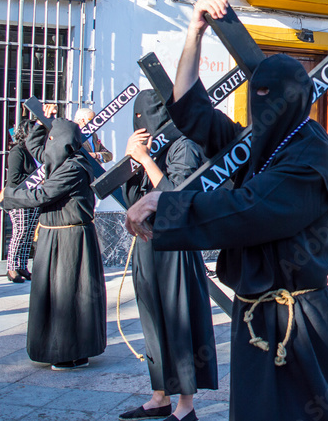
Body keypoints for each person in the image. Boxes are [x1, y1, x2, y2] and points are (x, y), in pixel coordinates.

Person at [124, 0, 328, 421]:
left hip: (301, 322)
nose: (260, 107)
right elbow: (191, 112)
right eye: (258, 97)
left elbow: (249, 209)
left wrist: (167, 204)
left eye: (270, 98)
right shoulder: (262, 146)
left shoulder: (309, 153)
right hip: (256, 319)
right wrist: (194, 31)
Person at [117, 90, 217, 421]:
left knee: (180, 323)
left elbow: (178, 197)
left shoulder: (183, 145)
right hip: (146, 244)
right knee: (153, 323)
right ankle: (159, 395)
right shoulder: (148, 150)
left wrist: (147, 160)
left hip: (176, 248)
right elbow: (131, 197)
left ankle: (185, 406)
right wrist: (134, 161)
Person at [0, 104, 107, 370]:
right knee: (61, 295)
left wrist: (9, 196)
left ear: (62, 142)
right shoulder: (60, 159)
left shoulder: (73, 167)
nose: (47, 145)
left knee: (68, 296)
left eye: (51, 139)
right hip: (57, 237)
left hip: (70, 241)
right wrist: (42, 121)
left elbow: (41, 195)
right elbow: (36, 147)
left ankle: (68, 351)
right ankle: (71, 350)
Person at [4, 121, 40, 283]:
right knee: (20, 232)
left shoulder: (36, 152)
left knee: (28, 233)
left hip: (33, 197)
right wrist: (37, 181)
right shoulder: (17, 151)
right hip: (19, 198)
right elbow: (14, 178)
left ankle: (22, 266)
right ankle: (11, 268)